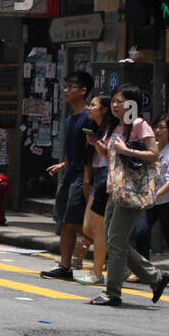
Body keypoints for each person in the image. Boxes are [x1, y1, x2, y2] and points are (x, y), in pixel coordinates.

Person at [87, 85, 169, 306]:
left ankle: (112, 292)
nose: (115, 105)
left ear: (133, 104)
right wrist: (97, 144)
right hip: (114, 190)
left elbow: (154, 155)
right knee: (113, 240)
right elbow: (108, 154)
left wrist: (128, 151)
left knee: (115, 241)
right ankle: (156, 277)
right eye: (113, 101)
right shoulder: (113, 125)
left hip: (132, 191)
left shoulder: (139, 126)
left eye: (121, 101)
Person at [39, 71, 93, 281]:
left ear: (83, 91)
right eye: (66, 86)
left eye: (71, 87)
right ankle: (65, 266)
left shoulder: (89, 117)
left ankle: (113, 251)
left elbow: (90, 151)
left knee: (75, 222)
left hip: (82, 177)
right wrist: (63, 164)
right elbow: (73, 150)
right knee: (64, 222)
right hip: (70, 174)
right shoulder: (71, 119)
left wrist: (88, 179)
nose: (66, 90)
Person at [73, 94, 112, 285]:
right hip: (98, 177)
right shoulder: (96, 129)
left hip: (107, 177)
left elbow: (108, 153)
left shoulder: (112, 129)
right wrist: (87, 179)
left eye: (93, 105)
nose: (89, 107)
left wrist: (97, 142)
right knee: (89, 228)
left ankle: (97, 271)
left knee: (98, 230)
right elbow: (89, 157)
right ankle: (126, 264)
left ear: (104, 110)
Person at [133, 114, 169, 265]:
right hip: (149, 200)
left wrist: (154, 195)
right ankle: (145, 270)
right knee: (141, 232)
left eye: (162, 127)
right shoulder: (150, 147)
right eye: (156, 126)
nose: (158, 130)